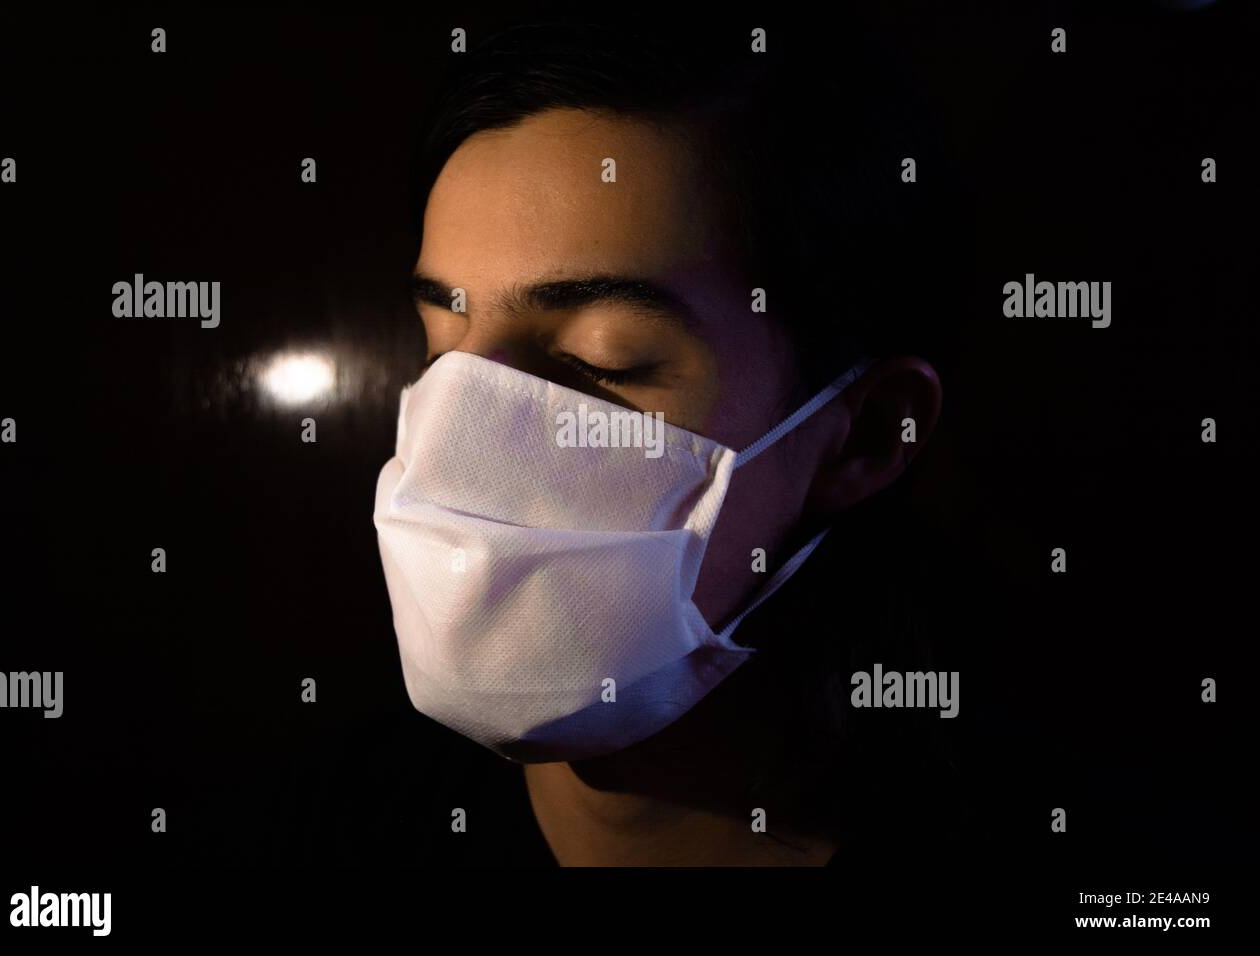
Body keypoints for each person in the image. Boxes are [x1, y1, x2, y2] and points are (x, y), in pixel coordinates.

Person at [375, 16, 966, 867]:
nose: (462, 443)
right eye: (442, 347)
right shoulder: (329, 826)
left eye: (597, 361)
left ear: (864, 438)